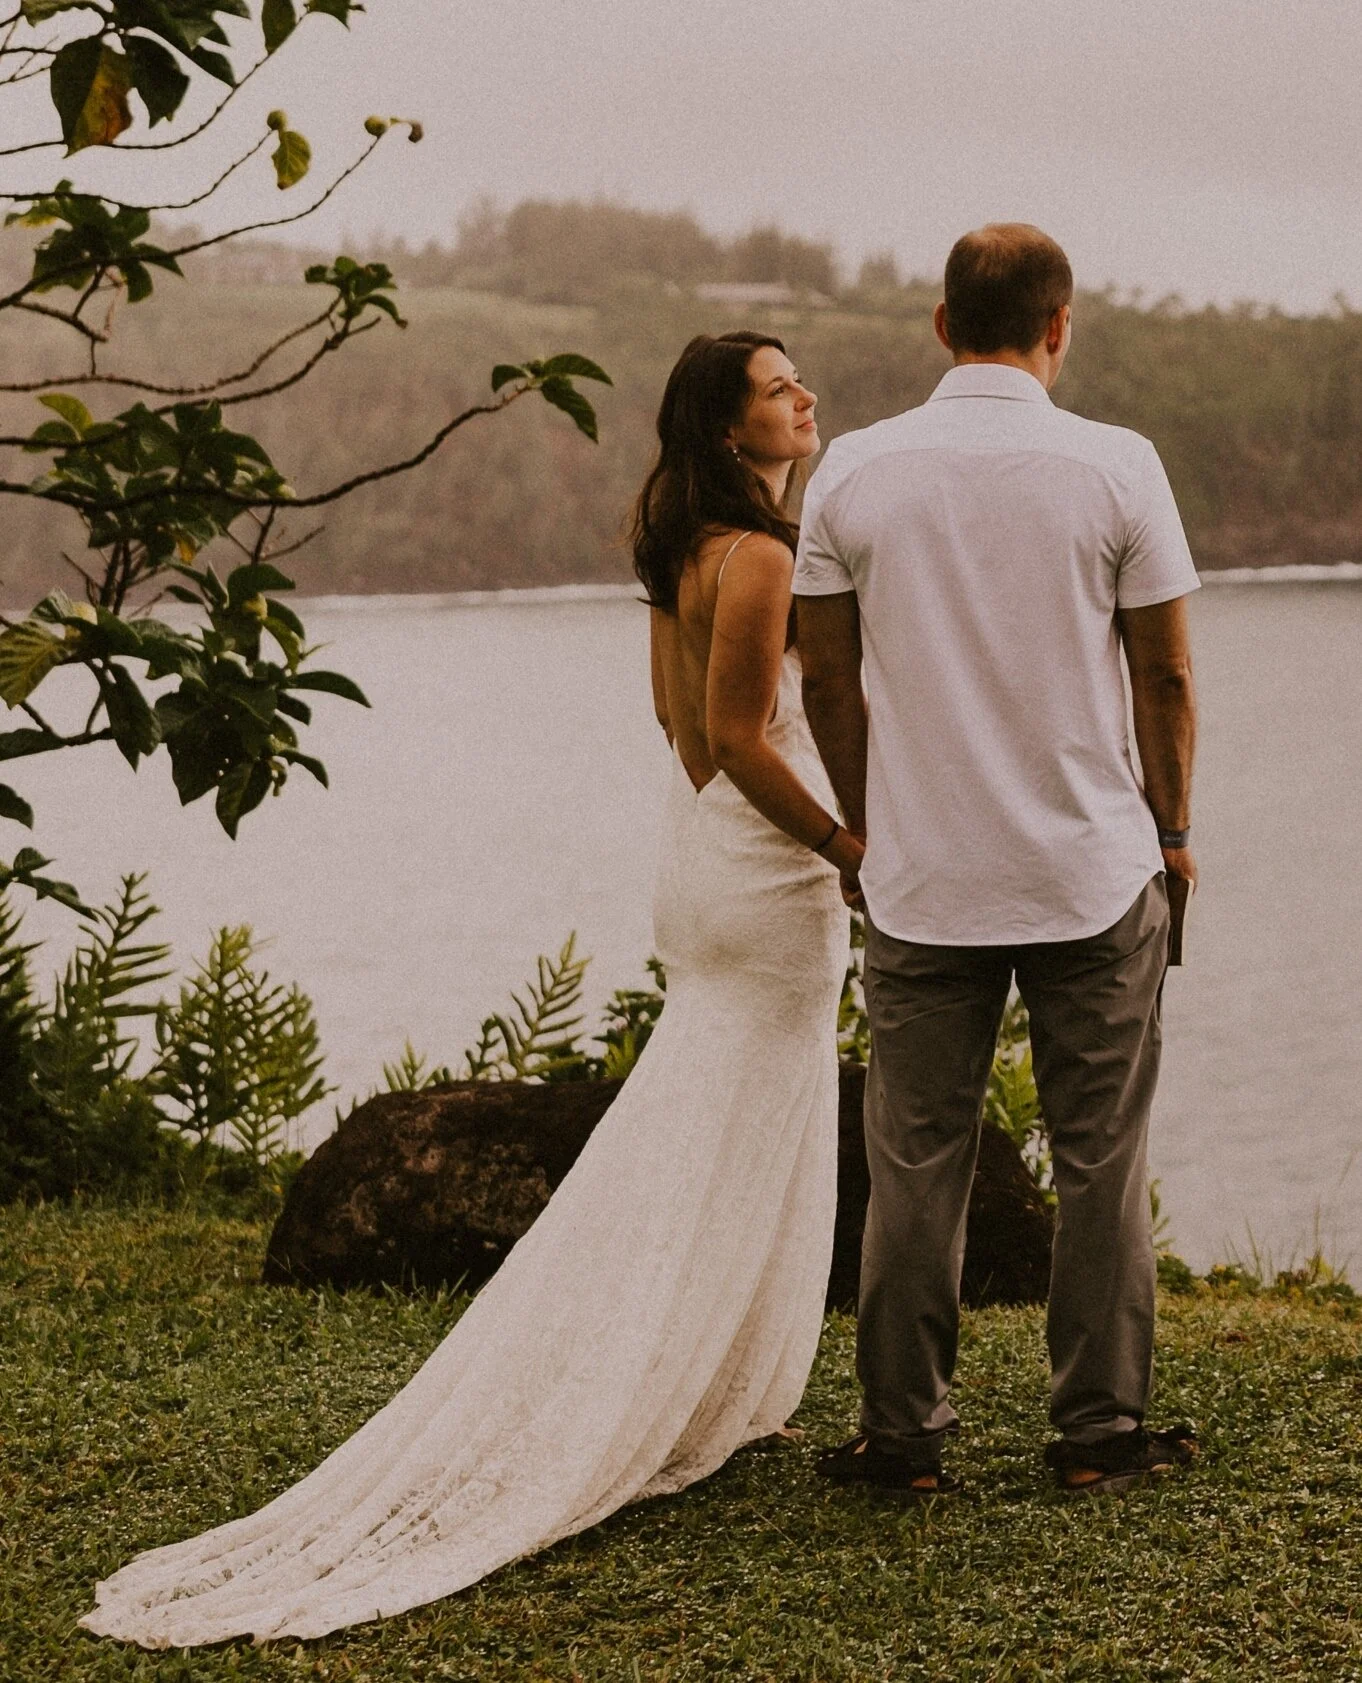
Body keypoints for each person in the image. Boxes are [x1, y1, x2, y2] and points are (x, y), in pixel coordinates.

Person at [79, 330, 862, 1648]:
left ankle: (715, 1386)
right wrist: (845, 843)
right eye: (782, 388)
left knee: (722, 1117)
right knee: (738, 1120)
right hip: (771, 873)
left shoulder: (687, 548)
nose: (807, 398)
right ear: (734, 430)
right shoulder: (766, 557)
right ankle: (686, 1385)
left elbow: (680, 739)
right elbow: (734, 737)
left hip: (704, 868)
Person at [796, 224, 1201, 1498]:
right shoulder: (1116, 465)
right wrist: (1175, 832)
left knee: (915, 1164)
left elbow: (825, 677)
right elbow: (1168, 672)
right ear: (1059, 324)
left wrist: (866, 834)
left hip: (924, 884)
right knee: (1102, 1165)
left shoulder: (854, 472)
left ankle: (903, 1439)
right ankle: (1097, 1436)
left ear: (938, 323)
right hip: (1092, 871)